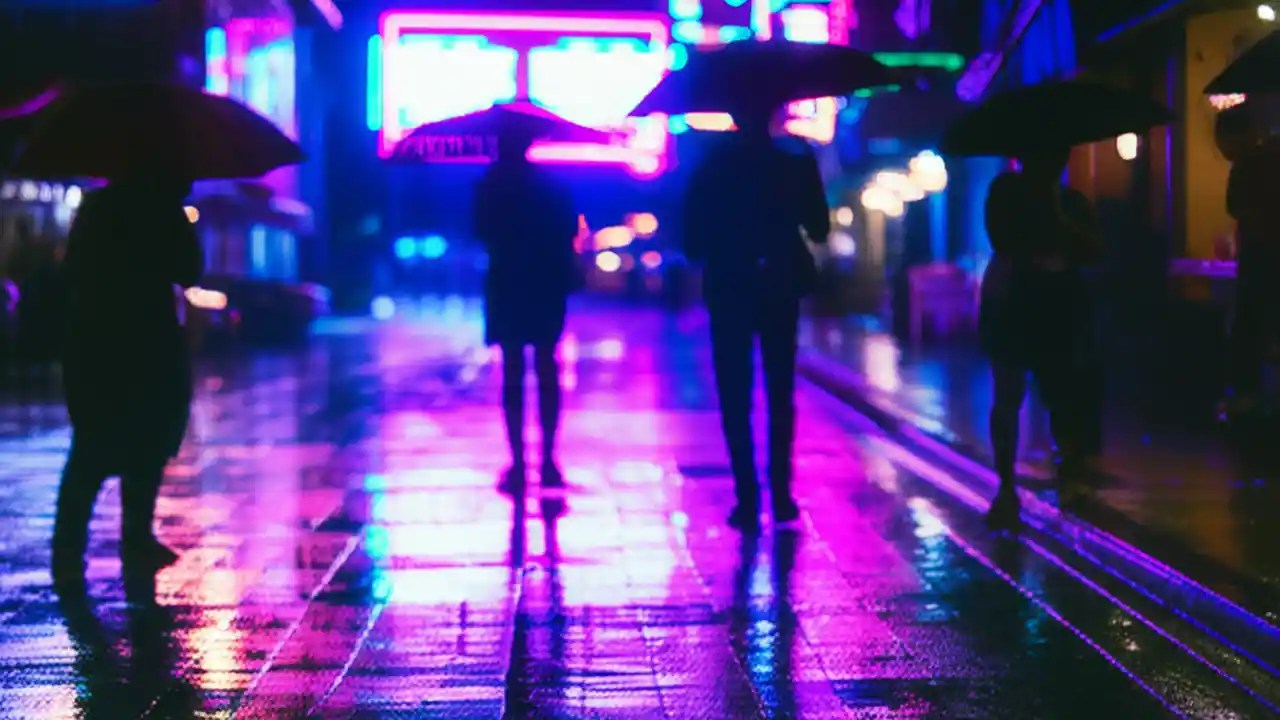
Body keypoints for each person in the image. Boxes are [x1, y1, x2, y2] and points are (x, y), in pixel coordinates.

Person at [682, 99, 830, 531]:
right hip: (780, 283)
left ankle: (746, 499)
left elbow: (692, 241)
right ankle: (781, 495)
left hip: (729, 285)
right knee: (780, 390)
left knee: (734, 392)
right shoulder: (795, 162)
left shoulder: (712, 166)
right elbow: (819, 229)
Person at [52, 175, 202, 588]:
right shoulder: (163, 209)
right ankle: (133, 537)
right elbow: (189, 270)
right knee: (146, 442)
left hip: (94, 339)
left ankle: (68, 544)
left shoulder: (96, 208)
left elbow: (72, 269)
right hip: (147, 339)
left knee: (92, 446)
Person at [980, 146, 1100, 530]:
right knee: (1009, 397)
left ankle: (1069, 473)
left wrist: (1061, 217)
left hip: (1056, 305)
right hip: (1016, 301)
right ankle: (1006, 487)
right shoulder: (1006, 193)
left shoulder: (1070, 201)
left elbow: (1092, 249)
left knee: (1062, 394)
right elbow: (1003, 238)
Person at [472, 130, 578, 492]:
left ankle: (518, 463)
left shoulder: (490, 186)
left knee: (513, 374)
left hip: (506, 284)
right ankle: (548, 459)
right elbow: (568, 230)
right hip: (545, 285)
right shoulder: (549, 185)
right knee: (548, 369)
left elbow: (479, 231)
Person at [1223, 101, 1280, 418]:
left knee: (1248, 326)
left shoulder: (1248, 165)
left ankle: (1248, 397)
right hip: (1268, 253)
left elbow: (1234, 206)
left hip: (1258, 256)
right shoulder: (1271, 156)